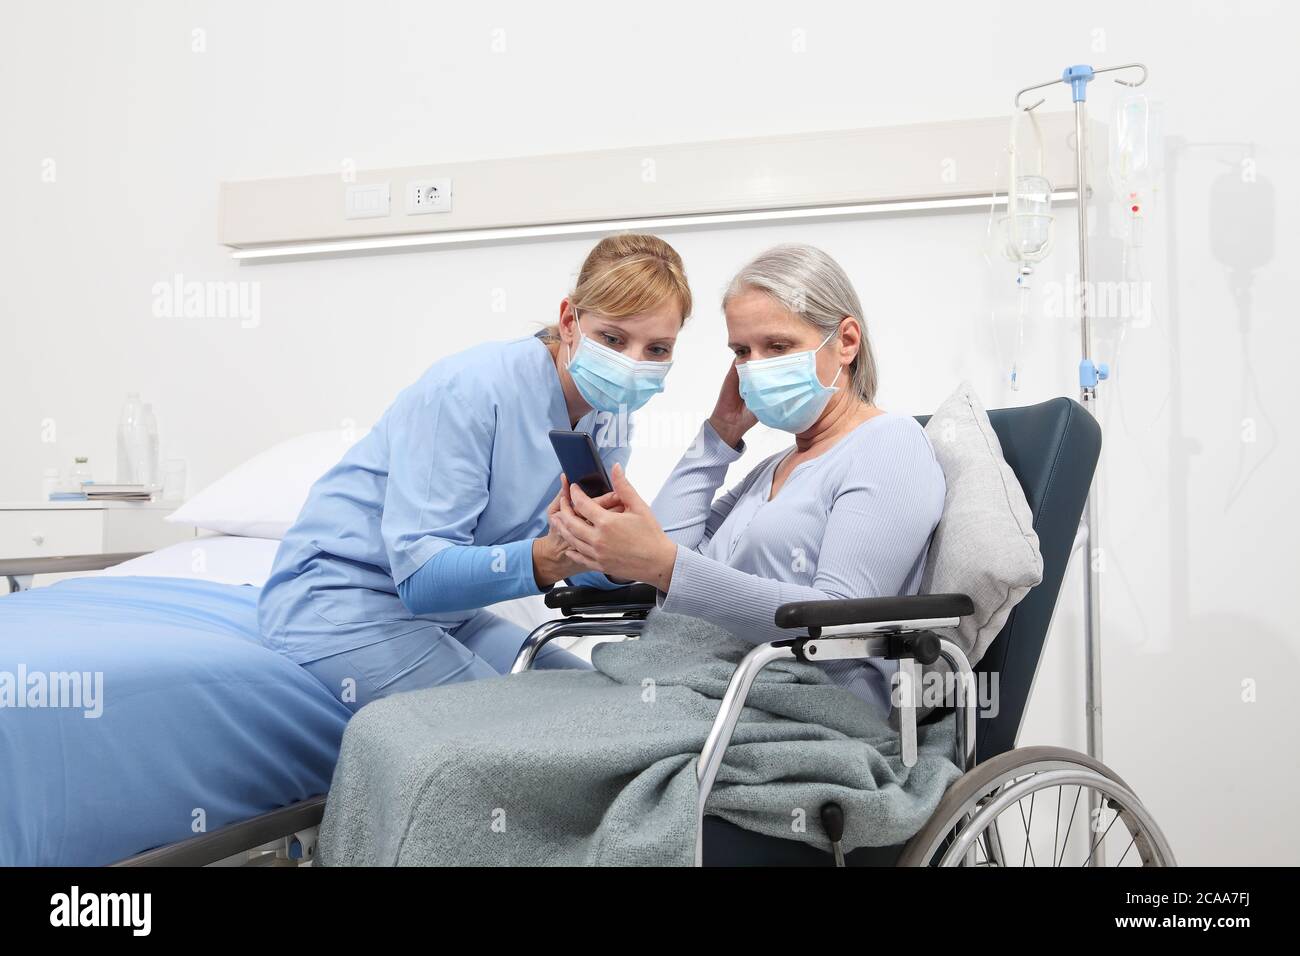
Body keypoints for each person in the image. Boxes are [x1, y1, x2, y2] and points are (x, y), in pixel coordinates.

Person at [257, 234, 692, 710]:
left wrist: (624, 558)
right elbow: (422, 578)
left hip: (453, 614)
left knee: (612, 713)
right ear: (570, 321)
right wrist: (549, 558)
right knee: (531, 732)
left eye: (657, 349)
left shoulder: (611, 413)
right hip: (344, 604)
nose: (631, 364)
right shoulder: (469, 389)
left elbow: (583, 563)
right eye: (612, 338)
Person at [551, 243, 944, 714]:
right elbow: (669, 547)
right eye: (741, 351)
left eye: (777, 347)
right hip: (698, 686)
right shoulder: (774, 468)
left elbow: (839, 621)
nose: (754, 367)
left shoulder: (890, 444)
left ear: (846, 341)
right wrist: (718, 435)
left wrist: (667, 567)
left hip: (801, 705)